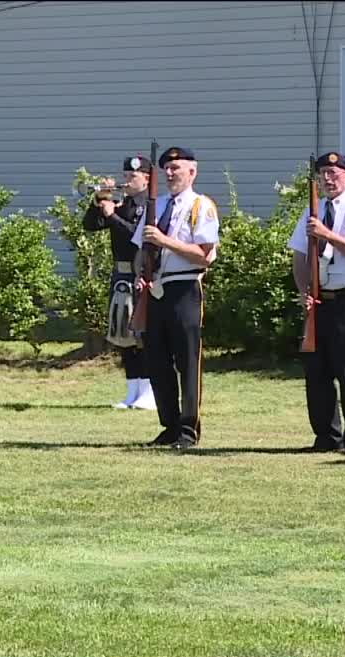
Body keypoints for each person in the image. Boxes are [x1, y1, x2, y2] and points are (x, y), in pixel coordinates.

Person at [288, 151, 345, 455]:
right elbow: (300, 255)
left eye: (333, 173)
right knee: (318, 371)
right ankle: (326, 435)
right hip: (320, 299)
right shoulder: (312, 210)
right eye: (322, 174)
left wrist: (327, 234)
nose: (327, 179)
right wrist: (304, 290)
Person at [130, 146, 220, 450]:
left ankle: (188, 429)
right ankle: (168, 425)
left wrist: (165, 241)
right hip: (155, 288)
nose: (170, 174)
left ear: (192, 172)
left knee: (187, 361)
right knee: (157, 360)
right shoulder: (156, 205)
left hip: (184, 287)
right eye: (166, 169)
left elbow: (204, 255)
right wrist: (140, 275)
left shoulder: (200, 206)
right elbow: (141, 248)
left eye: (176, 168)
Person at [82, 155, 157, 410]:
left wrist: (113, 216)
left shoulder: (150, 206)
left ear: (146, 178)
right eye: (125, 176)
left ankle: (149, 391)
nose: (127, 181)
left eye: (132, 176)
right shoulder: (122, 204)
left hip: (140, 274)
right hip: (121, 275)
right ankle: (132, 391)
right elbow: (90, 225)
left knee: (142, 335)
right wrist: (99, 200)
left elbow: (138, 236)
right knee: (123, 334)